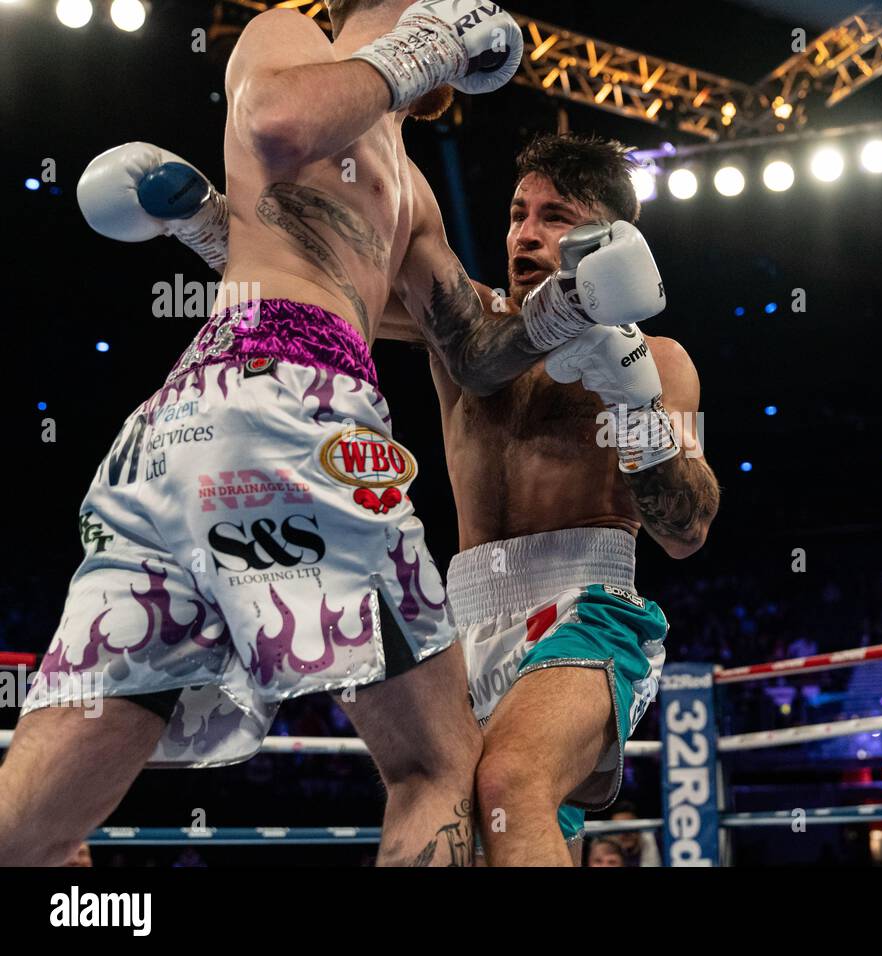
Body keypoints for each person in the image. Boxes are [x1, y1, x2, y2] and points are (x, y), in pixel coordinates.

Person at [0, 0, 632, 867]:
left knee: (34, 824)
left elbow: (475, 354)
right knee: (439, 766)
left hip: (185, 436)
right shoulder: (290, 36)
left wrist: (572, 306)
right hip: (296, 414)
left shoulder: (410, 192)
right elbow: (277, 118)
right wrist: (431, 42)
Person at [88, 129, 708, 866]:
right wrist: (199, 218)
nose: (525, 234)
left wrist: (634, 406)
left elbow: (686, 528)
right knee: (472, 826)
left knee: (512, 782)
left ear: (610, 237)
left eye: (556, 216)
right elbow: (320, 276)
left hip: (588, 604)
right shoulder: (470, 326)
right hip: (466, 613)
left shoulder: (660, 360)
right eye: (518, 213)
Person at [609, 800, 660, 866]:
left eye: (630, 827)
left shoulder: (656, 841)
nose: (625, 834)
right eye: (619, 829)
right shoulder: (606, 848)